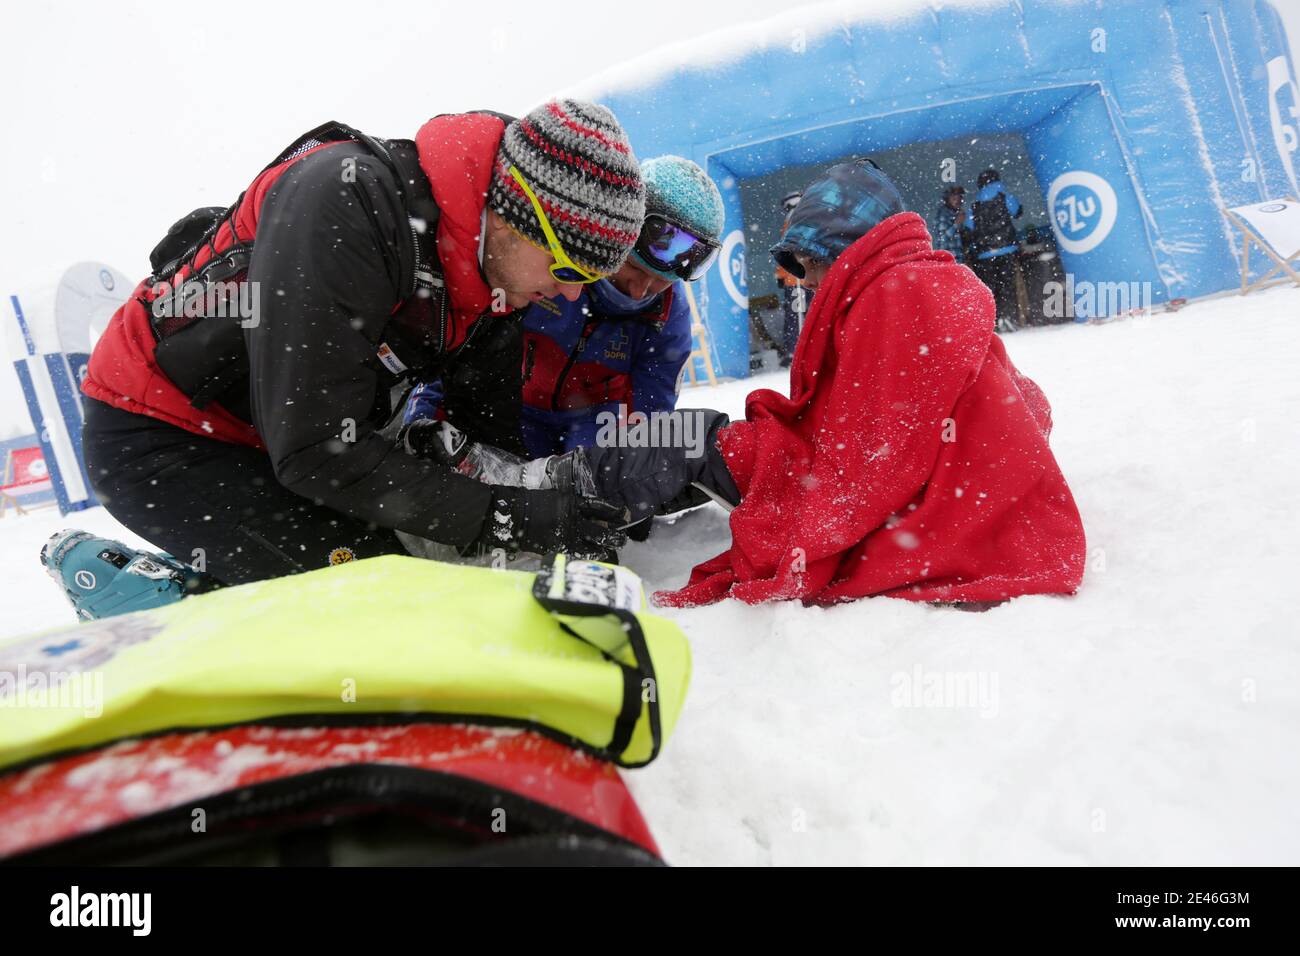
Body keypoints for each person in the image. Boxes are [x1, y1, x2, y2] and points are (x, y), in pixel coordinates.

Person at [76, 101, 644, 588]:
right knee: (376, 598)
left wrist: (547, 517)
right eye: (568, 267)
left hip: (280, 433)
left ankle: (227, 581)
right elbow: (317, 448)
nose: (569, 295)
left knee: (436, 569)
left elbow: (484, 426)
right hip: (163, 433)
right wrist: (508, 516)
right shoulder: (346, 205)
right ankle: (149, 605)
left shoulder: (496, 273)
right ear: (514, 216)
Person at [572, 158, 1086, 608]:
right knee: (682, 441)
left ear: (843, 244)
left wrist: (798, 515)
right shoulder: (926, 283)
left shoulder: (900, 295)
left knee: (684, 441)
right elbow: (1023, 407)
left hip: (836, 480)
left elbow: (868, 467)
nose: (810, 281)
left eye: (813, 261)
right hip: (862, 473)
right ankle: (588, 496)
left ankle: (554, 494)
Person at [400, 155, 723, 460]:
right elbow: (455, 359)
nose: (641, 291)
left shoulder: (668, 315)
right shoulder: (544, 267)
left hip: (594, 428)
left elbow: (650, 424)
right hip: (507, 408)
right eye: (634, 269)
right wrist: (421, 425)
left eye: (660, 282)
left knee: (608, 476)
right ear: (611, 242)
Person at [964, 167, 1025, 332]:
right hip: (1006, 249)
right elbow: (1018, 211)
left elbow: (968, 227)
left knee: (990, 290)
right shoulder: (1004, 197)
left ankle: (994, 323)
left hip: (984, 254)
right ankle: (1010, 319)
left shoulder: (975, 205)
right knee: (1008, 287)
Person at [774, 190, 809, 364]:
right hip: (800, 276)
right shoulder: (800, 217)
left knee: (796, 315)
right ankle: (798, 350)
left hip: (797, 277)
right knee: (801, 313)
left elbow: (786, 249)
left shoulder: (793, 219)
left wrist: (781, 274)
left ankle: (795, 350)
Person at [931, 185, 966, 260]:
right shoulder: (943, 215)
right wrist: (956, 224)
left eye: (960, 198)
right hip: (949, 261)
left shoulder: (958, 214)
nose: (957, 201)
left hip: (960, 260)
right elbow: (942, 240)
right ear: (948, 199)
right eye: (954, 198)